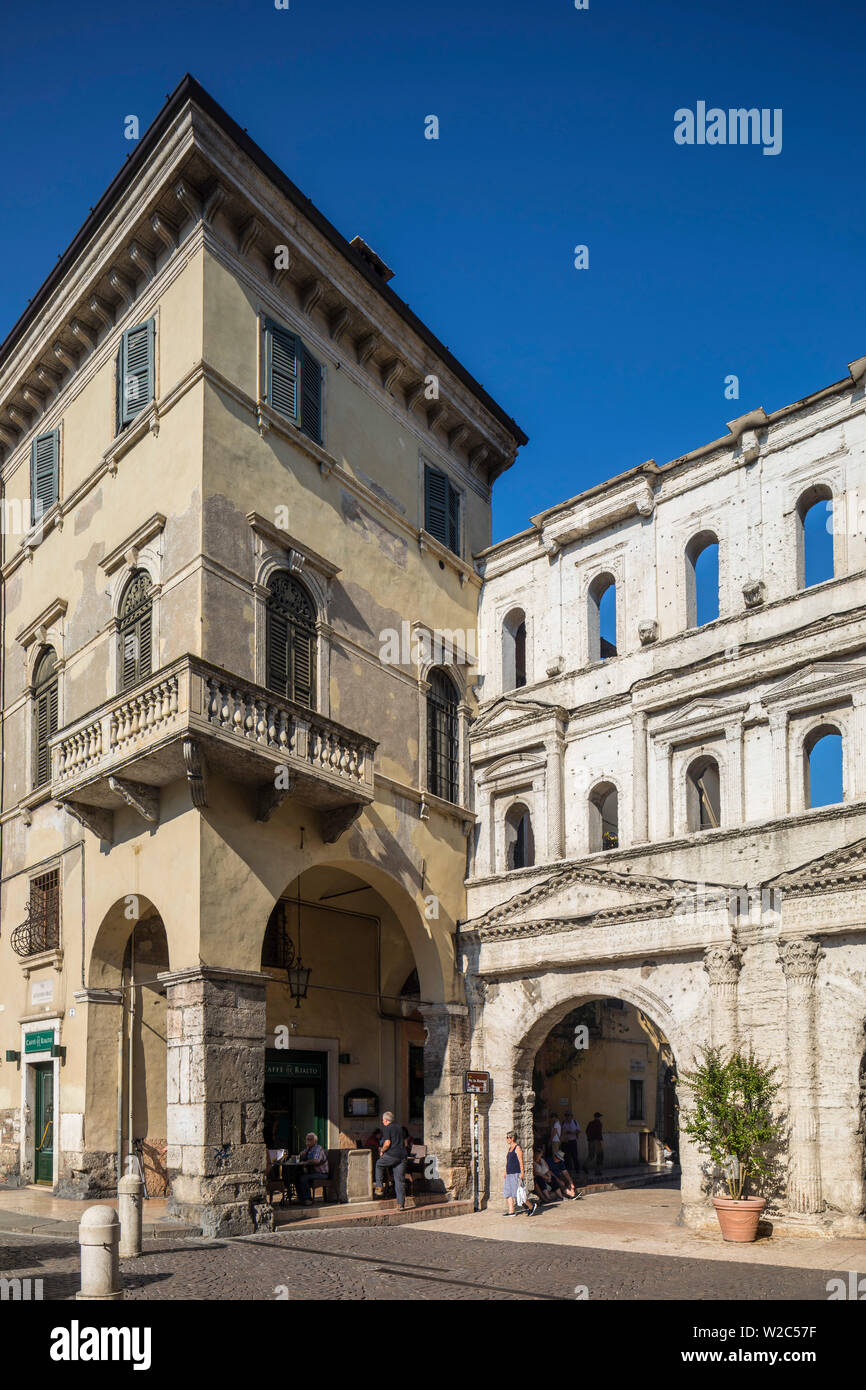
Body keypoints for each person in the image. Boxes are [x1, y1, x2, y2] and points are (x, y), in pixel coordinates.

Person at [373, 1110, 407, 1209]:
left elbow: (387, 1143)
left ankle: (379, 1187)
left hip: (393, 1154)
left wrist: (382, 1151)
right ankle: (400, 1204)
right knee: (399, 1180)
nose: (382, 1122)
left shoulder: (388, 1128)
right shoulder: (399, 1128)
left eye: (383, 1120)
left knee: (379, 1164)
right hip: (402, 1156)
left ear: (386, 1120)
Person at [295, 1131, 329, 1205]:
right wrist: (301, 1155)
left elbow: (316, 1161)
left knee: (304, 1178)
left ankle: (308, 1199)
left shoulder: (317, 1148)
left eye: (310, 1140)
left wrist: (307, 1162)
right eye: (307, 1139)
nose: (308, 1141)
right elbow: (300, 1155)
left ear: (315, 1141)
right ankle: (301, 1198)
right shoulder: (308, 1149)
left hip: (322, 1173)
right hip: (314, 1172)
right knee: (296, 1177)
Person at [503, 1131, 526, 1216]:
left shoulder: (517, 1148)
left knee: (517, 1193)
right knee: (507, 1192)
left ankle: (531, 1206)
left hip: (515, 1173)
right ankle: (511, 1211)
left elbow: (521, 1161)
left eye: (507, 1137)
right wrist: (505, 1171)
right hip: (509, 1174)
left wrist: (522, 1173)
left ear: (512, 1138)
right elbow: (508, 1161)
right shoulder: (510, 1148)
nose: (506, 1139)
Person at [562, 1111, 582, 1175]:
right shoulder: (563, 1123)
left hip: (573, 1141)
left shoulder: (575, 1122)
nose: (567, 1117)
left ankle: (577, 1170)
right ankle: (568, 1170)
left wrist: (573, 1132)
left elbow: (579, 1130)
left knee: (575, 1156)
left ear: (571, 1116)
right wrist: (566, 1132)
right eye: (566, 1116)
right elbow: (562, 1132)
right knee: (567, 1157)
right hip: (566, 1141)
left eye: (568, 1116)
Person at [586, 1112, 604, 1178]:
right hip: (597, 1141)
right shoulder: (599, 1123)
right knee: (600, 1156)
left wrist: (589, 1138)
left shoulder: (590, 1123)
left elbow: (586, 1131)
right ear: (598, 1117)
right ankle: (598, 1171)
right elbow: (599, 1134)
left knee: (591, 1155)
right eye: (600, 1117)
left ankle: (585, 1165)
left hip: (590, 1141)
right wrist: (602, 1142)